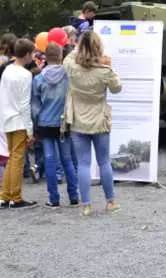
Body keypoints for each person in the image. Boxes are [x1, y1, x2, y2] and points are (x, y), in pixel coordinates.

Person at [63, 31, 121, 216]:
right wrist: (108, 65)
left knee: (83, 164)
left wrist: (80, 47)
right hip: (99, 121)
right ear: (98, 48)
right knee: (104, 162)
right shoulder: (105, 72)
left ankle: (86, 205)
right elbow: (117, 88)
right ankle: (110, 202)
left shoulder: (71, 67)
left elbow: (69, 57)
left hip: (78, 121)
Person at [31, 43, 79, 208]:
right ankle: (74, 197)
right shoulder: (68, 77)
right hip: (63, 123)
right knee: (67, 161)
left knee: (50, 160)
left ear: (45, 57)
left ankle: (54, 199)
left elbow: (35, 107)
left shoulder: (38, 79)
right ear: (61, 56)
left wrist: (35, 126)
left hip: (45, 124)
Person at [0, 39, 37, 209]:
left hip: (6, 119)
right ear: (28, 54)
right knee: (17, 159)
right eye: (33, 53)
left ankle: (5, 195)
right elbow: (24, 104)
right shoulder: (25, 74)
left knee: (11, 158)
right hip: (19, 121)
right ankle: (15, 197)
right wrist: (30, 130)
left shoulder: (7, 69)